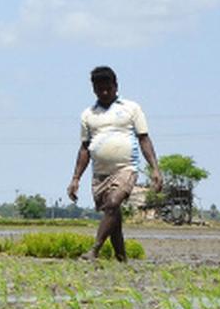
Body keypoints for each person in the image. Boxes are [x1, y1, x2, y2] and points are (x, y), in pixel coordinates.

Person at [67, 66, 162, 262]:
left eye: (107, 88)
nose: (104, 93)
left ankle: (94, 250)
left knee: (112, 204)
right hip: (100, 173)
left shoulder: (131, 108)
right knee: (113, 216)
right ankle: (121, 259)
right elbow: (84, 148)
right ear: (93, 89)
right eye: (99, 89)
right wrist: (75, 178)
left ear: (116, 86)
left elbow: (144, 138)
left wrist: (155, 169)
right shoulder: (88, 114)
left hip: (126, 169)